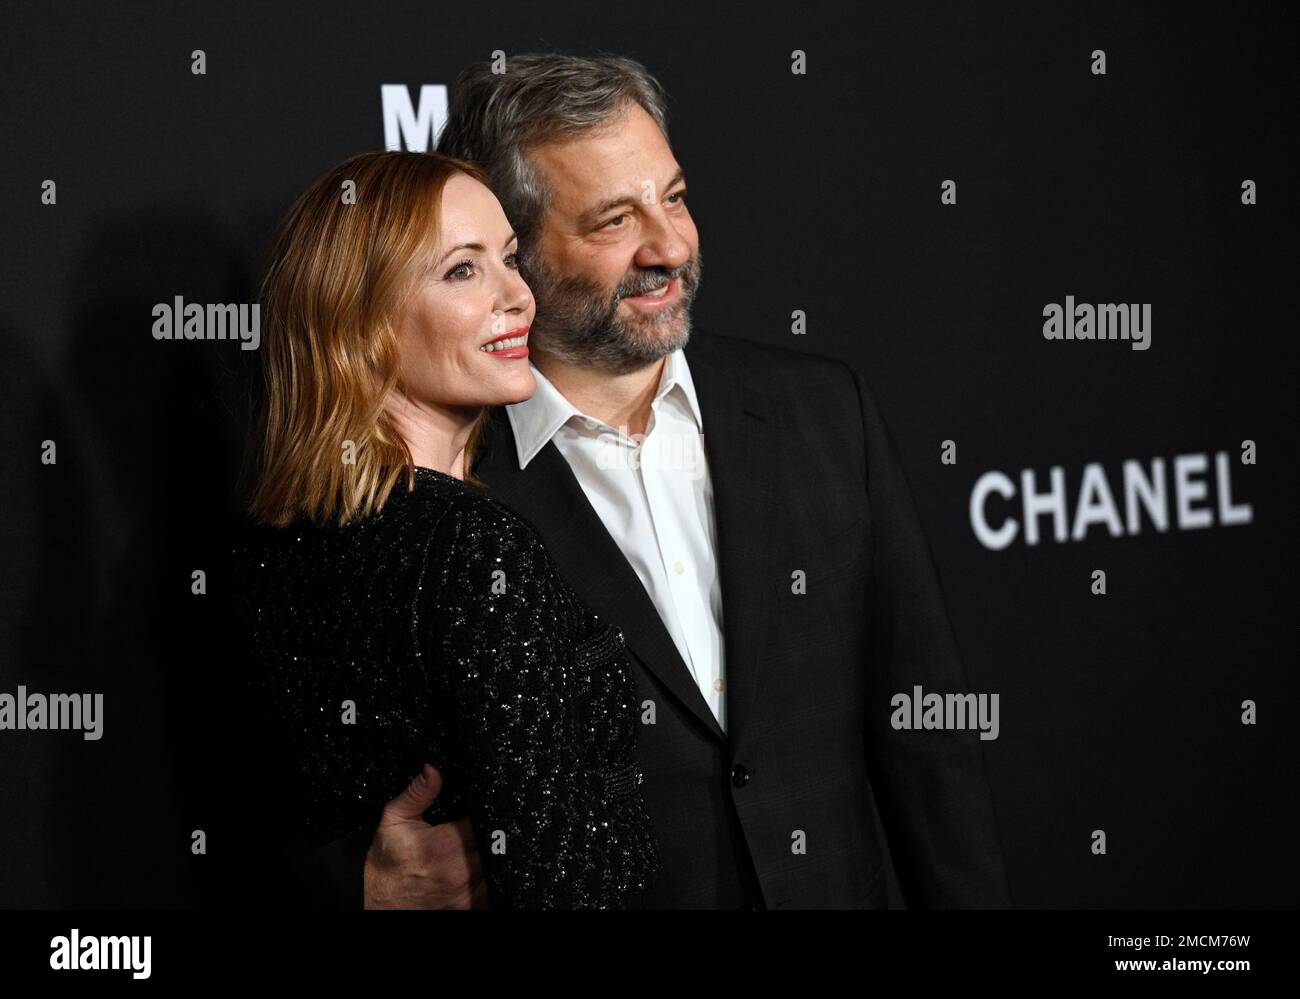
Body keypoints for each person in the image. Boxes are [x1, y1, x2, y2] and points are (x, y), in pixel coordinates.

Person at [314, 52, 1013, 910]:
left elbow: (925, 738)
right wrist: (359, 881)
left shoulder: (821, 412)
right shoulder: (444, 497)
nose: (671, 245)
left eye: (673, 196)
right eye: (614, 220)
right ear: (517, 252)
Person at [229, 148, 660, 908]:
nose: (519, 296)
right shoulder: (471, 545)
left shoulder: (273, 545)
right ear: (360, 324)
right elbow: (561, 885)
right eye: (462, 270)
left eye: (510, 259)